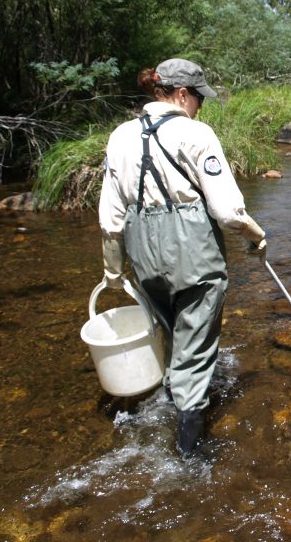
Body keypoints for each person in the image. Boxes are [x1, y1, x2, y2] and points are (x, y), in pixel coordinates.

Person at [98, 58, 267, 457]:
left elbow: (111, 217)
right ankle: (189, 451)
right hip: (192, 248)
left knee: (170, 329)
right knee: (197, 335)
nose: (200, 107)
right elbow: (226, 211)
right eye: (198, 98)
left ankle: (172, 393)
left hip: (142, 251)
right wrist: (256, 235)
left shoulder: (120, 136)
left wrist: (112, 270)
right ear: (181, 94)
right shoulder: (196, 134)